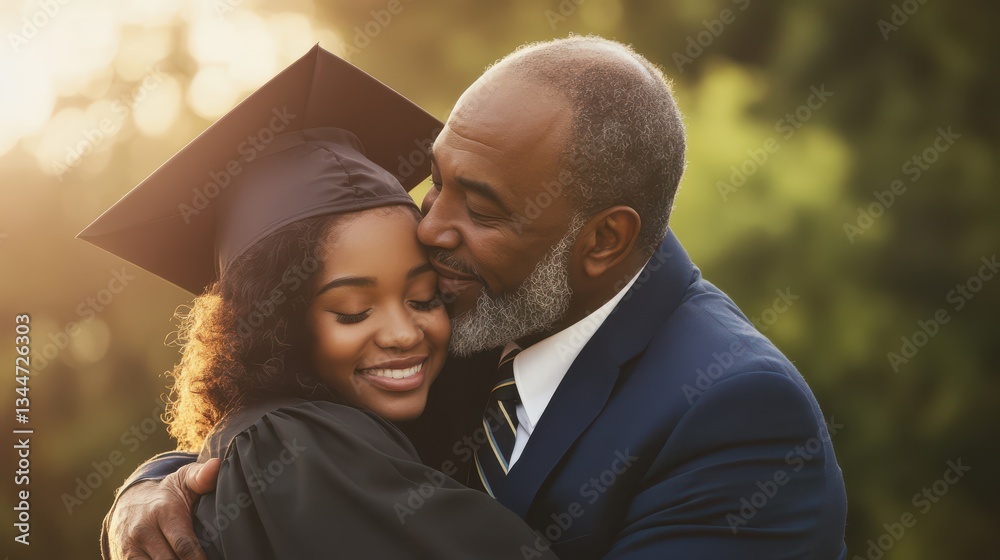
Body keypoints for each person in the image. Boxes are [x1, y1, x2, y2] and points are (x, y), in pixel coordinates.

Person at [104, 37, 849, 559]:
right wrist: (151, 493)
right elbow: (297, 421)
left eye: (482, 208)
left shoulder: (737, 412)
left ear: (603, 239)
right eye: (437, 182)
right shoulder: (466, 317)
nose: (430, 227)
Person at [82, 47, 557, 559]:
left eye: (423, 299)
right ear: (277, 327)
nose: (403, 333)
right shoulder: (293, 448)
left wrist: (147, 478)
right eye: (353, 311)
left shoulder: (301, 435)